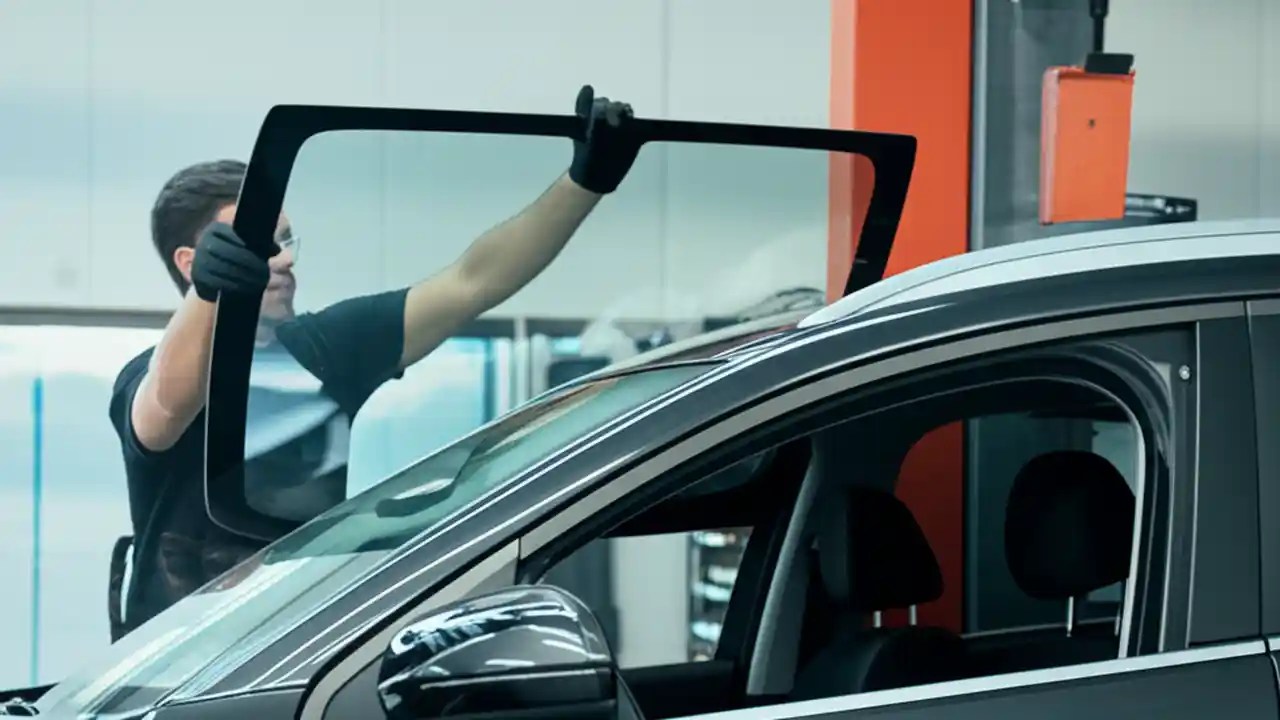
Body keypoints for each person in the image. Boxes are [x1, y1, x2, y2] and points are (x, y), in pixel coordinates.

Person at [107, 85, 641, 639]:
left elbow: (471, 282)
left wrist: (585, 182)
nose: (285, 258)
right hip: (172, 667)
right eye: (259, 245)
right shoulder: (146, 376)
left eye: (287, 240)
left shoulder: (324, 350)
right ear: (191, 263)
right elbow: (165, 406)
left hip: (288, 651)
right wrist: (208, 294)